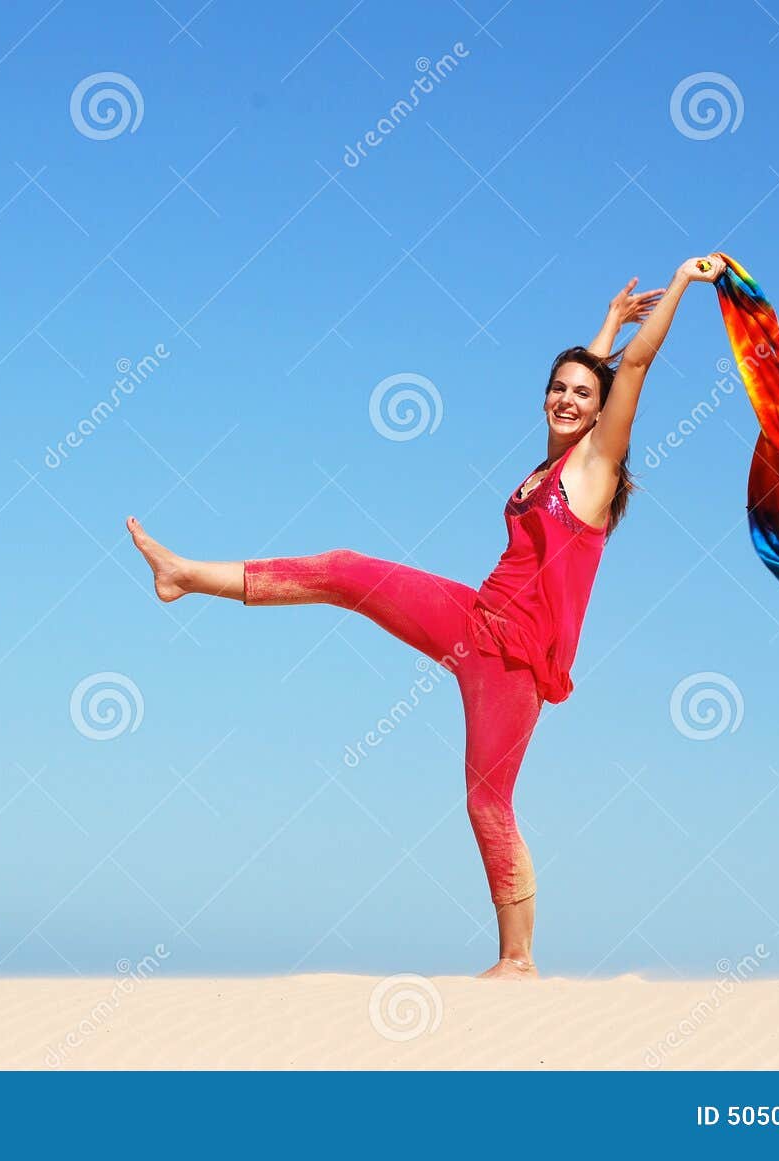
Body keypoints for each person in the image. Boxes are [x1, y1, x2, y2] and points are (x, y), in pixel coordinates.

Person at [128, 255, 727, 979]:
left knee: (486, 801)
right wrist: (602, 324)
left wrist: (685, 284)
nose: (567, 400)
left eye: (580, 395)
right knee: (345, 569)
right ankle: (186, 574)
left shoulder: (595, 467)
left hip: (515, 657)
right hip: (471, 618)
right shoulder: (549, 463)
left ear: (603, 414)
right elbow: (595, 374)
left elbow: (628, 371)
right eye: (556, 389)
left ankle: (518, 959)